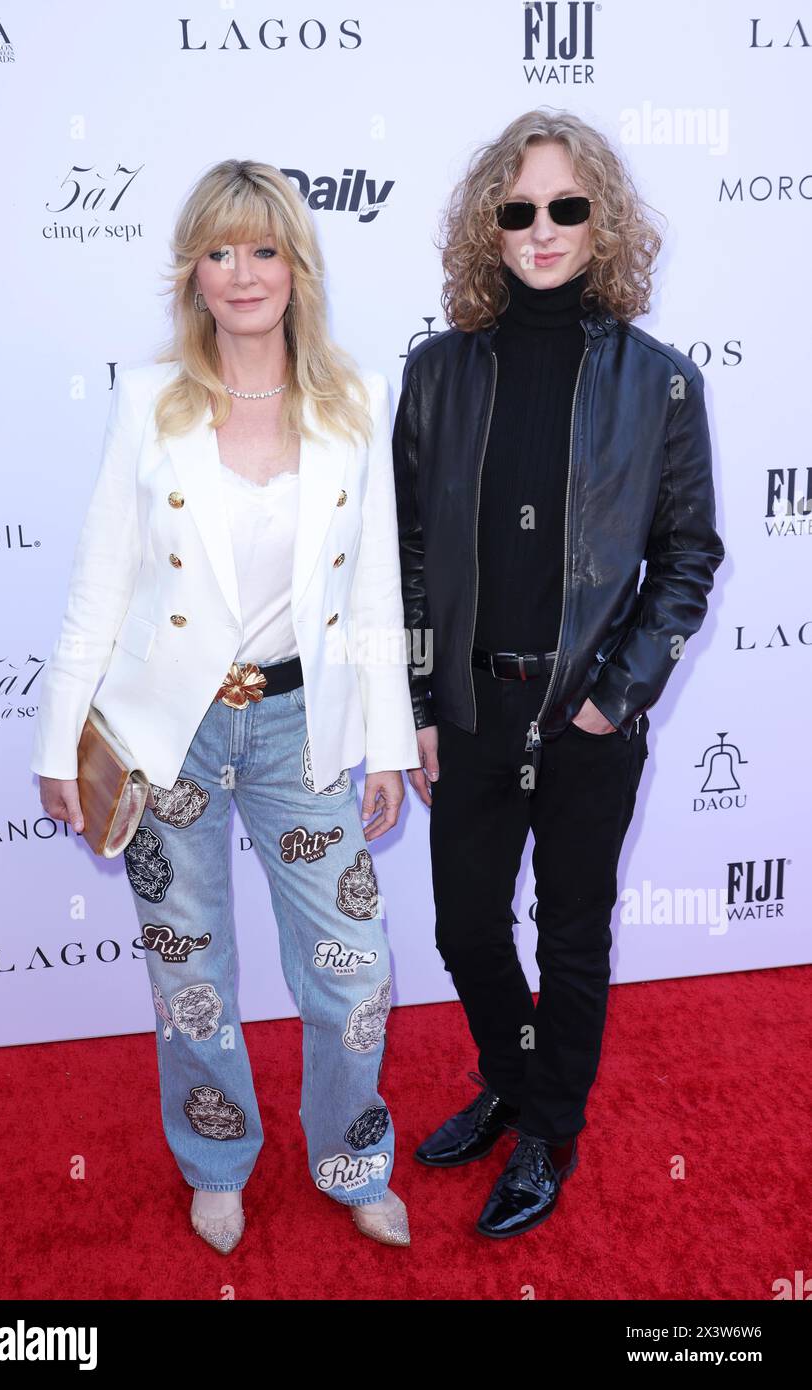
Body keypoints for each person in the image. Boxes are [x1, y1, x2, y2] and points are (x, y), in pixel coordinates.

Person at [31, 158, 419, 1253]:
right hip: (171, 738)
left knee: (356, 971)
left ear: (297, 266)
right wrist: (59, 737)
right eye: (218, 251)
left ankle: (351, 1155)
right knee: (188, 970)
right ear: (191, 274)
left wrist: (382, 741)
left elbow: (377, 584)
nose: (242, 273)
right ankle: (215, 1156)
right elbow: (99, 582)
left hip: (303, 729)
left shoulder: (351, 402)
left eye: (263, 249)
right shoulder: (148, 402)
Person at [393, 110, 725, 1238]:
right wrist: (424, 706)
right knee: (466, 927)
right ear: (489, 226)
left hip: (587, 716)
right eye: (517, 209)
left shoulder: (660, 383)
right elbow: (408, 554)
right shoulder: (435, 374)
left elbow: (688, 556)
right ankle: (510, 1071)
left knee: (572, 934)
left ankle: (546, 1126)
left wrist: (613, 693)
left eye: (565, 208)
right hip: (473, 709)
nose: (541, 230)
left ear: (602, 224)